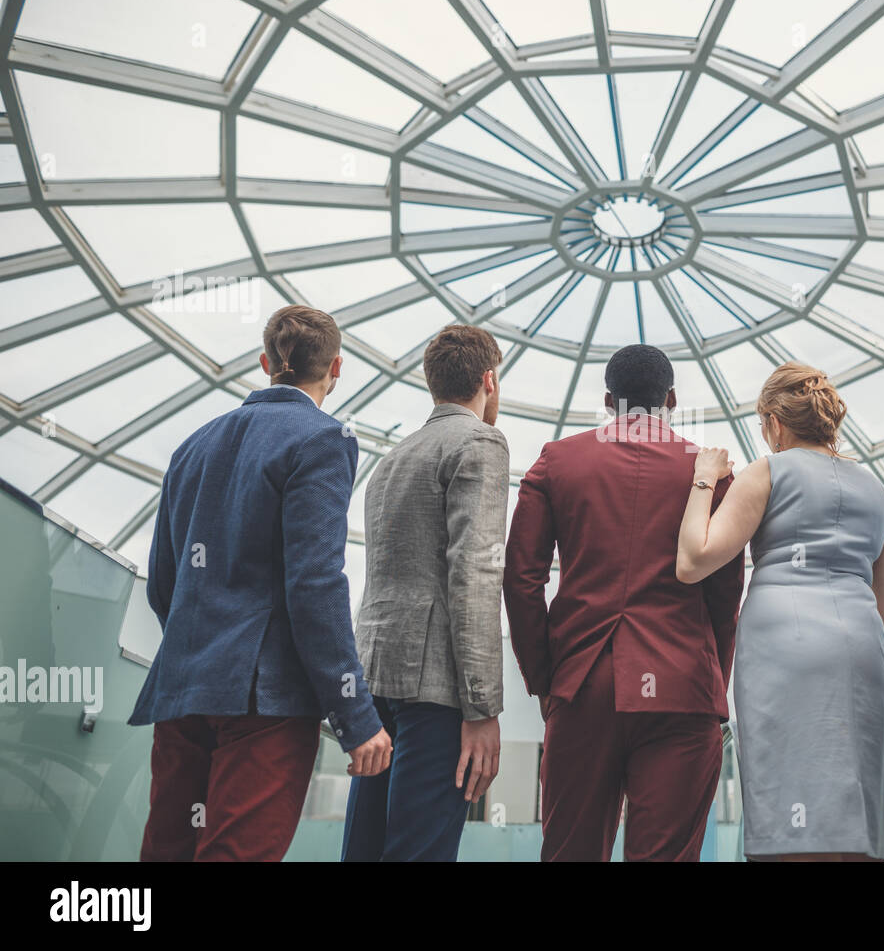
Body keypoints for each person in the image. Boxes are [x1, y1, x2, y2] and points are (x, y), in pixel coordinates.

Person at [130, 304, 391, 862]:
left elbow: (164, 582)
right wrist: (356, 716)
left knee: (165, 851)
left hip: (185, 688)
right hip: (263, 699)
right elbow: (315, 584)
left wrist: (199, 647)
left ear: (265, 363)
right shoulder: (323, 439)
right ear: (336, 368)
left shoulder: (194, 444)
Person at [504, 344, 744, 861]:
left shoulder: (557, 461)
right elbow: (726, 599)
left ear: (609, 400)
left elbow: (522, 579)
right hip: (682, 690)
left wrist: (545, 679)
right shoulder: (709, 474)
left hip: (583, 683)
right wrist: (713, 683)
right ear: (672, 399)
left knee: (570, 851)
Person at [677, 362, 884, 862]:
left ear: (775, 422)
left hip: (784, 650)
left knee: (792, 803)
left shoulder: (768, 472)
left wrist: (702, 481)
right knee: (857, 809)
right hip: (865, 654)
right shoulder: (879, 492)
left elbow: (694, 560)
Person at [342, 325, 509, 862]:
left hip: (377, 681)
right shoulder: (479, 441)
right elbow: (476, 575)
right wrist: (482, 707)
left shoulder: (391, 459)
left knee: (364, 851)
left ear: (431, 382)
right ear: (489, 381)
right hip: (437, 691)